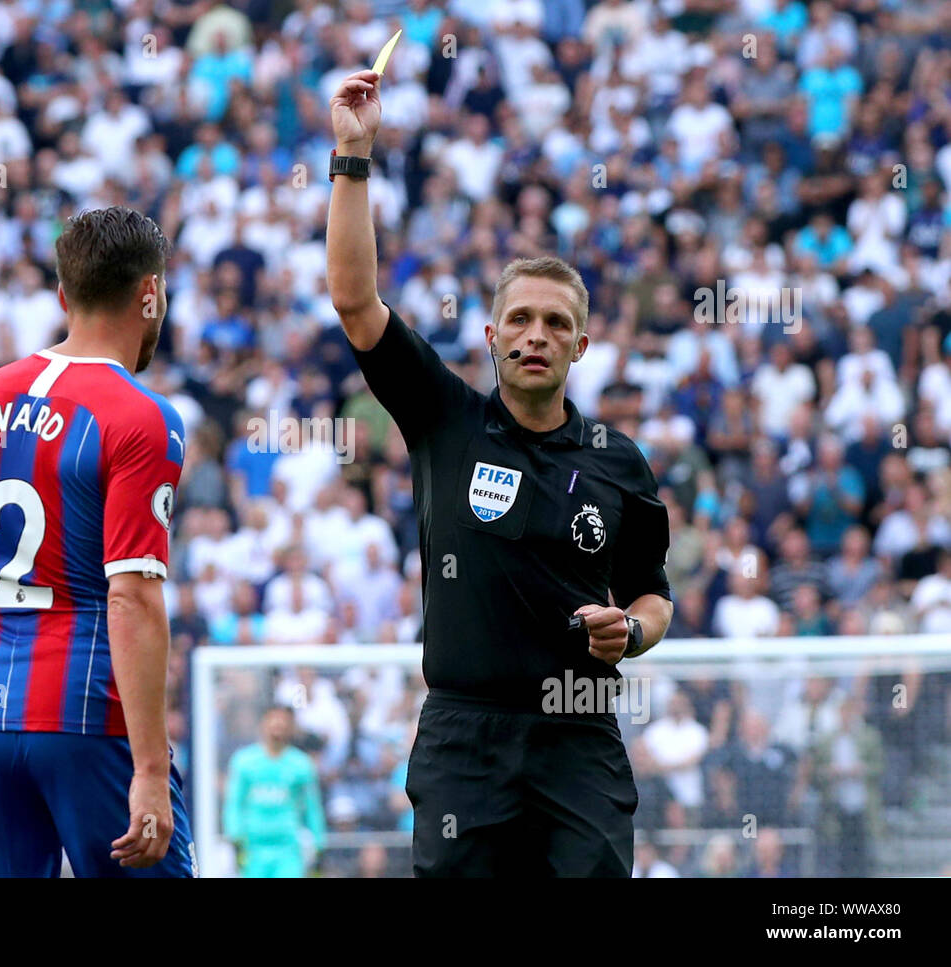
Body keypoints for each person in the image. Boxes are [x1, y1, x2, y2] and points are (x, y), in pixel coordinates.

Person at [325, 69, 673, 877]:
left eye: (557, 323)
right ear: (490, 334)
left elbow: (651, 592)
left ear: (581, 347)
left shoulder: (619, 463)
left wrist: (638, 631)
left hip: (580, 730)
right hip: (463, 734)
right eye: (520, 318)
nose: (536, 335)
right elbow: (354, 298)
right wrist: (352, 155)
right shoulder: (445, 418)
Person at [0, 207, 194, 877]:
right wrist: (149, 768)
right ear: (151, 294)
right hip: (89, 718)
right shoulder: (143, 417)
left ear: (63, 296)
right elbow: (133, 599)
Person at [222, 706, 326, 878]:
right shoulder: (244, 762)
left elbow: (312, 807)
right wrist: (235, 838)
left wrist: (319, 845)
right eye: (273, 719)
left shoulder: (301, 765)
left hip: (288, 850)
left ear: (291, 726)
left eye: (283, 720)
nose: (278, 724)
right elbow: (234, 803)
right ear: (263, 723)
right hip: (253, 849)